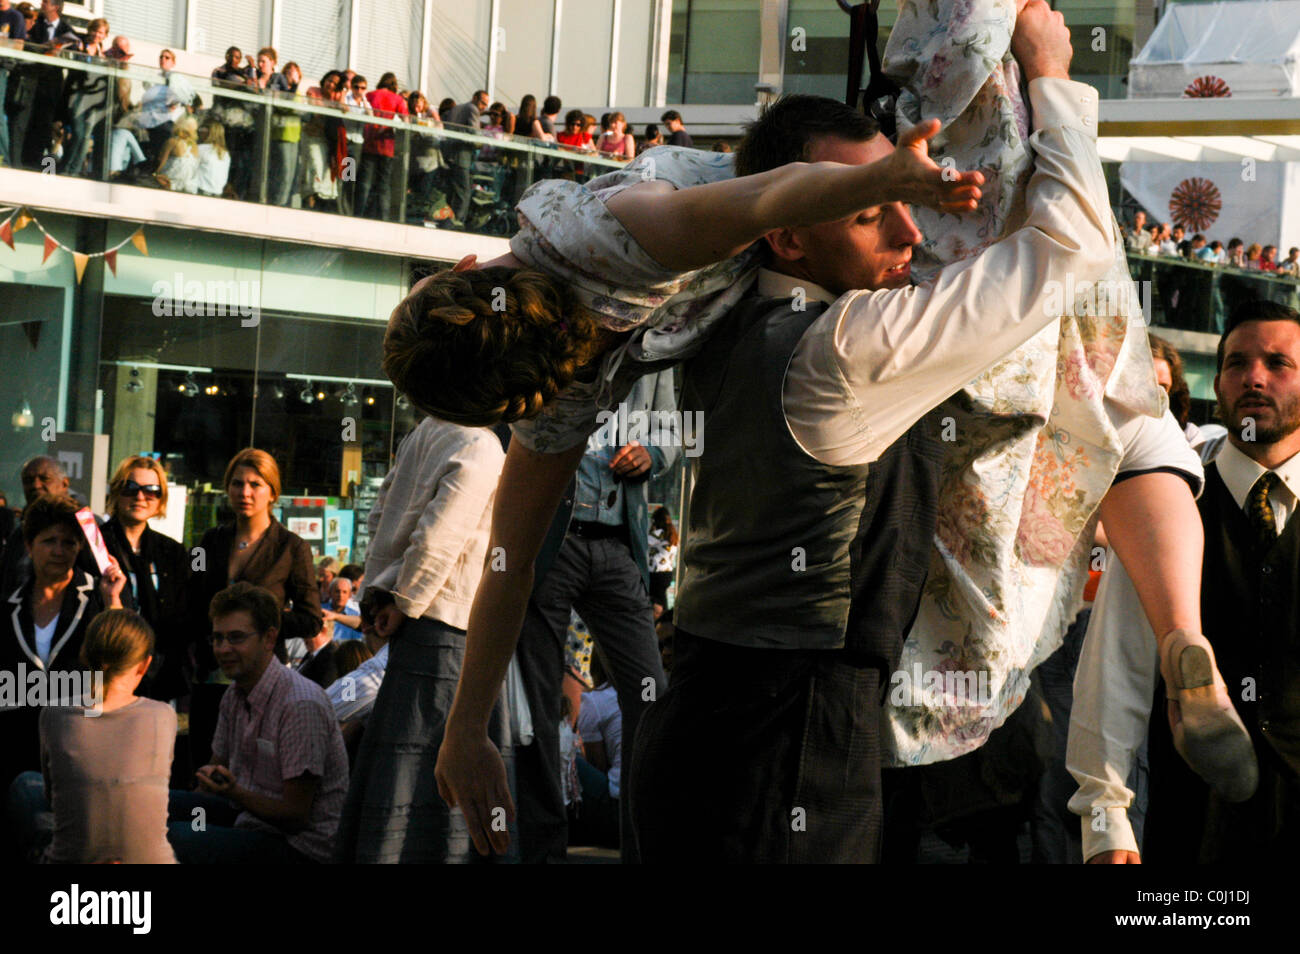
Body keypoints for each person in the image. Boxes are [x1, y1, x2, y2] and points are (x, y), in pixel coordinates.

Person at [1069, 300, 1300, 863]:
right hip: (1196, 821)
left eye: (1278, 362)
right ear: (1217, 383)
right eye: (1237, 362)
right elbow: (1117, 659)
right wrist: (1106, 818)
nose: (1254, 377)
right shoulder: (1168, 504)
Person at [511, 368, 676, 862]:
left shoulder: (652, 348)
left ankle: (641, 847)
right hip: (550, 537)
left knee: (651, 696)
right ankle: (542, 851)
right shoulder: (561, 333)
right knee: (539, 703)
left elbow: (672, 427)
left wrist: (653, 453)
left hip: (618, 542)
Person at [333, 414, 509, 864]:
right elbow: (439, 536)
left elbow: (380, 516)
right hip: (449, 623)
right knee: (434, 781)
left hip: (416, 621)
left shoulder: (423, 433)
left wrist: (383, 594)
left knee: (403, 772)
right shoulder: (480, 444)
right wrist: (403, 597)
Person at [168, 583, 348, 864]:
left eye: (236, 638)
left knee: (177, 836)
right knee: (153, 806)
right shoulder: (234, 693)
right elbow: (217, 770)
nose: (223, 649)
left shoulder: (300, 704)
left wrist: (233, 792)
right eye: (217, 638)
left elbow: (295, 816)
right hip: (248, 816)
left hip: (300, 846)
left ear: (269, 638)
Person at [187, 448, 322, 769]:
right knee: (205, 769)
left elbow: (311, 620)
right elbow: (191, 604)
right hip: (209, 677)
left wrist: (257, 625)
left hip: (262, 680)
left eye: (254, 484)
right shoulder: (210, 541)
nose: (244, 492)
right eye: (236, 484)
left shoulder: (292, 547)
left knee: (254, 770)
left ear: (272, 492)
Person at [8, 609, 176, 863]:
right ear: (144, 665)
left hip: (70, 861)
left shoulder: (53, 715)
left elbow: (52, 793)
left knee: (25, 784)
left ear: (85, 654)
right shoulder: (163, 715)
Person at [0, 495, 126, 795]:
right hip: (14, 750)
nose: (59, 550)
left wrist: (113, 599)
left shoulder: (97, 596)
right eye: (48, 541)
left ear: (80, 547)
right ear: (29, 546)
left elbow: (122, 656)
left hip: (80, 746)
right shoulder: (9, 607)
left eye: (69, 542)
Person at [100, 455, 189, 702]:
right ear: (116, 493)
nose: (140, 497)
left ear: (161, 498)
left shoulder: (173, 552)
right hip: (108, 670)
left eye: (151, 491)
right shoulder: (95, 545)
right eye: (131, 488)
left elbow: (181, 615)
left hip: (160, 674)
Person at [154, 113, 199, 193]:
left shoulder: (172, 142)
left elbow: (160, 163)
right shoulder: (194, 145)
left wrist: (154, 175)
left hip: (170, 183)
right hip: (189, 186)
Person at [647, 506, 677, 613]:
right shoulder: (672, 534)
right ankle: (664, 622)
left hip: (656, 574)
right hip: (667, 574)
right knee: (662, 601)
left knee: (654, 603)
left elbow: (643, 542)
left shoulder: (659, 533)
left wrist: (652, 530)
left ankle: (658, 623)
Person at [195, 119, 230, 197]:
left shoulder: (201, 149)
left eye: (202, 129)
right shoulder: (225, 153)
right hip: (218, 192)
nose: (199, 131)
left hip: (201, 190)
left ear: (209, 132)